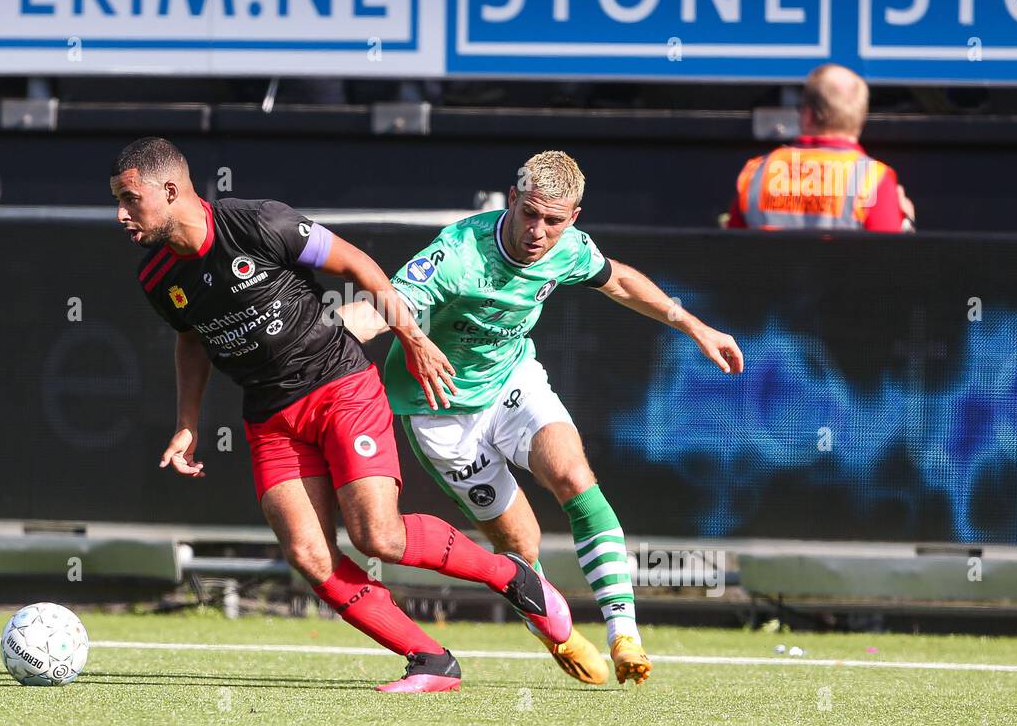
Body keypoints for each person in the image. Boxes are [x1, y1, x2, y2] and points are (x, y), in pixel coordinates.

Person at [112, 137, 573, 693]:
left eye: (129, 199)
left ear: (169, 190)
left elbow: (358, 263)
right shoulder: (156, 275)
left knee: (378, 536)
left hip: (339, 387)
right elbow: (190, 340)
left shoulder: (260, 223)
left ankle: (513, 576)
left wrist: (413, 337)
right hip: (268, 415)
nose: (120, 213)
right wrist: (187, 422)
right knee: (309, 554)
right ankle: (430, 661)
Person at [340, 150, 745, 685]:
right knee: (519, 546)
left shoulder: (570, 249)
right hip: (438, 411)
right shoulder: (459, 254)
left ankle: (625, 634)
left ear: (573, 218)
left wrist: (695, 327)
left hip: (512, 384)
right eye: (529, 213)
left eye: (553, 220)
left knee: (575, 478)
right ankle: (555, 629)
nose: (537, 230)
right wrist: (319, 336)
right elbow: (385, 304)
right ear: (512, 200)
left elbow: (618, 279)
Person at [726, 64, 914, 231]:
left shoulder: (758, 173)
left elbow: (727, 255)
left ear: (807, 115)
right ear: (860, 118)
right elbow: (893, 264)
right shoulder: (873, 180)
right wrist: (906, 223)